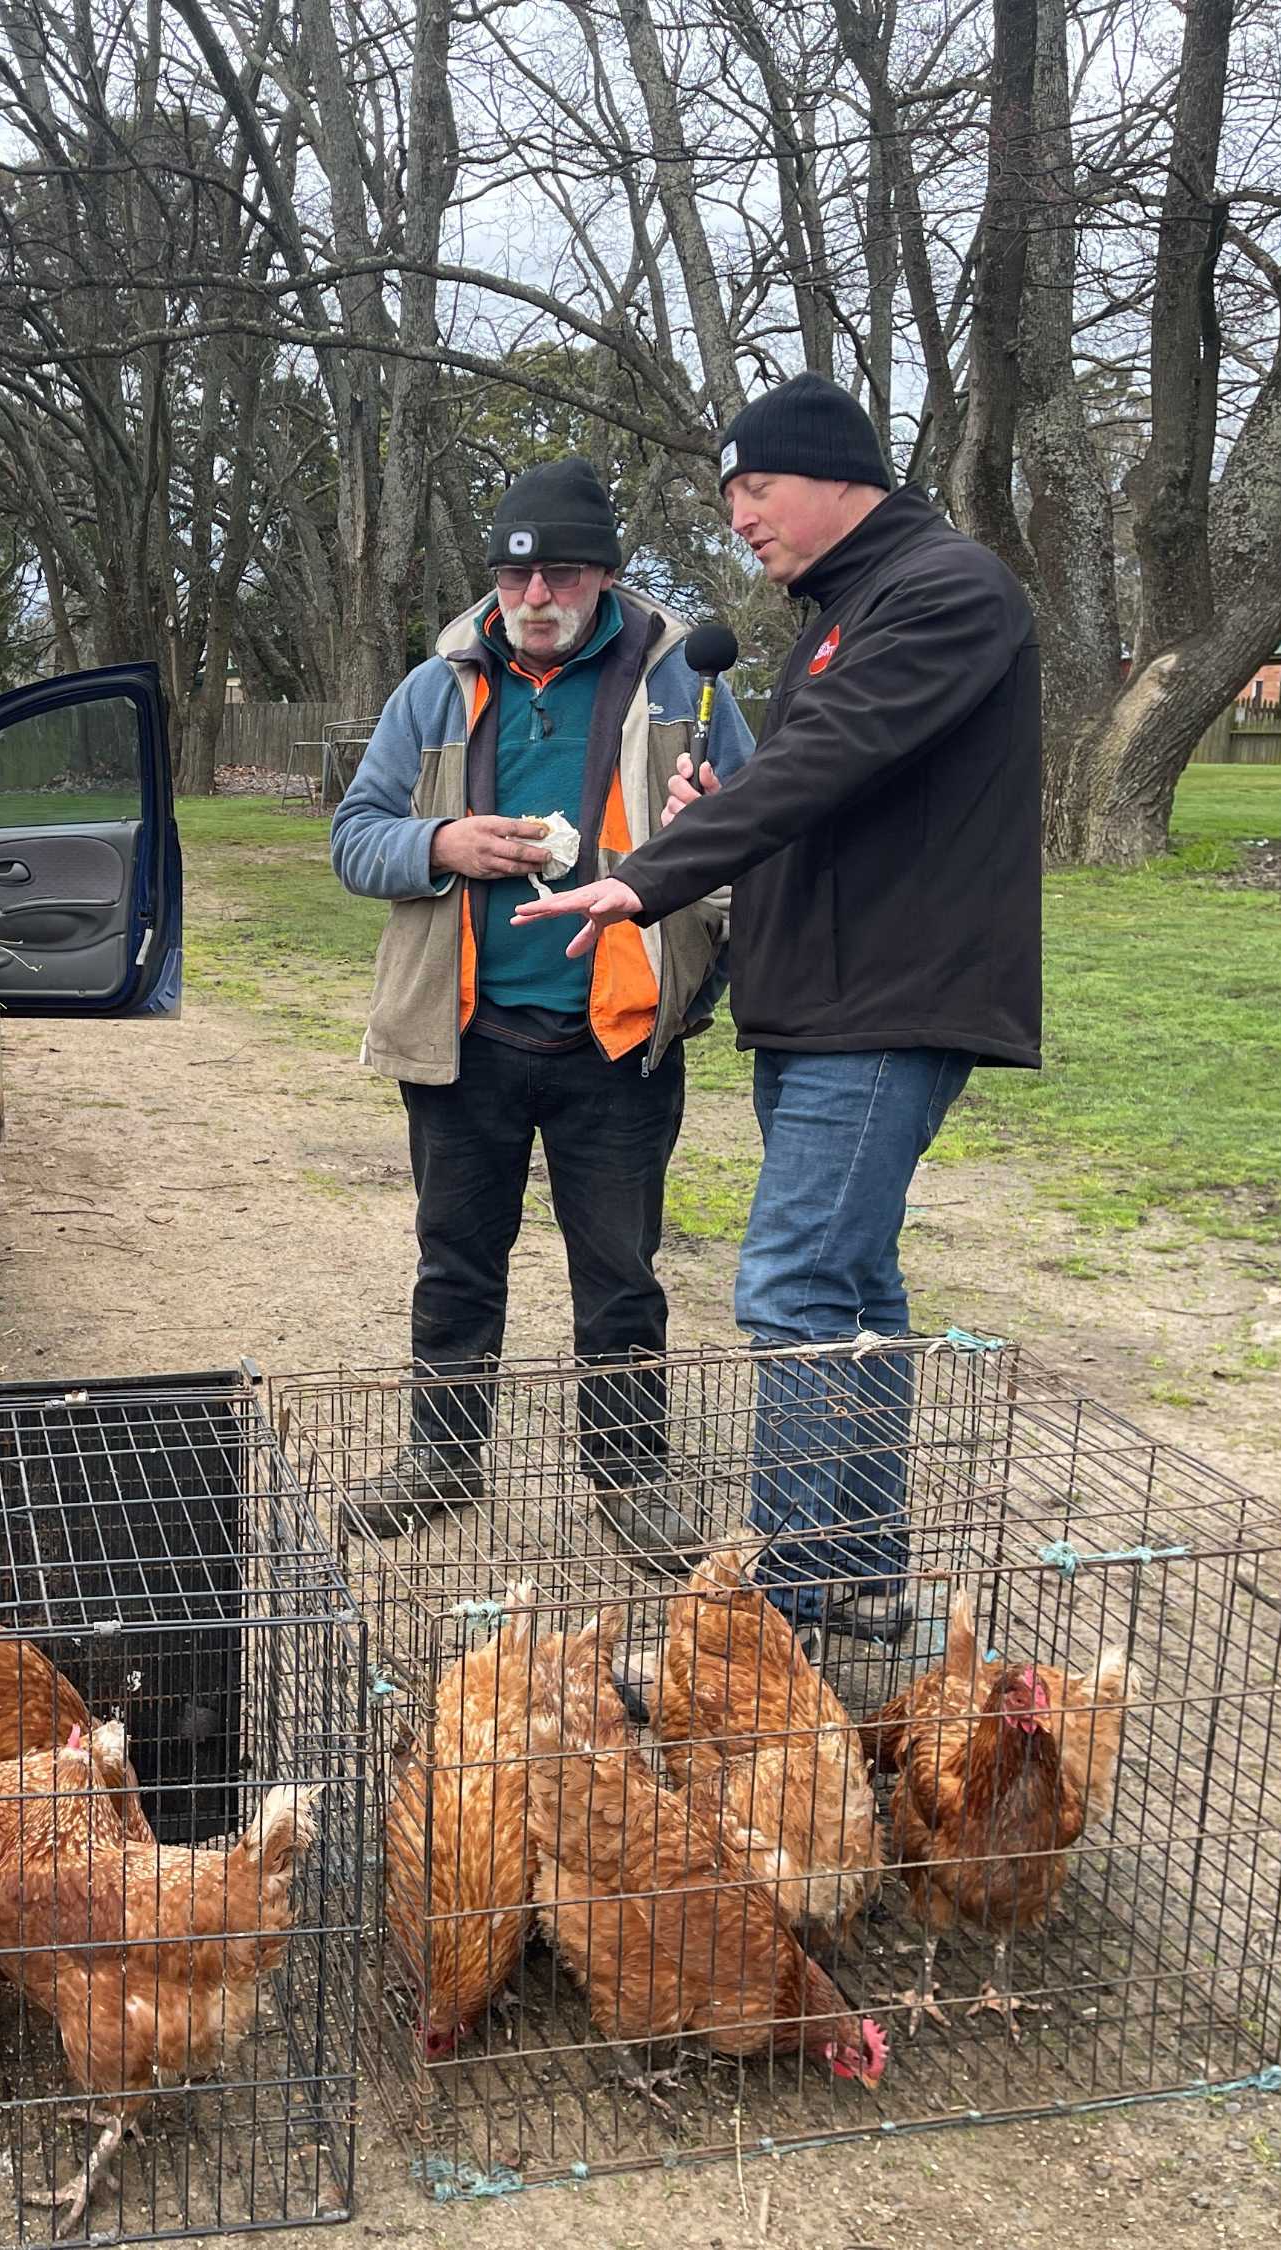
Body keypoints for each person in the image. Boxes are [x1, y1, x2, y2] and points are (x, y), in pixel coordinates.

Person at [514, 375, 1043, 1637]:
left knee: (795, 1282)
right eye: (729, 496)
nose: (740, 518)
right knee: (851, 1280)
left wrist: (645, 875)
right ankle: (861, 1567)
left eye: (756, 488)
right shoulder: (843, 613)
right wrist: (721, 827)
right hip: (822, 994)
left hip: (890, 998)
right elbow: (830, 797)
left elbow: (821, 765)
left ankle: (784, 1610)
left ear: (837, 475)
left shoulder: (946, 592)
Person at [330, 457, 753, 1565]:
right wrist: (439, 844)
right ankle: (443, 1456)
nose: (535, 599)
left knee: (620, 1275)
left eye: (561, 574)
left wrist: (709, 828)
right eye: (516, 579)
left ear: (607, 577)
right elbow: (353, 838)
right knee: (455, 1259)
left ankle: (629, 1478)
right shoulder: (436, 689)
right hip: (466, 1037)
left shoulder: (681, 688)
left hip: (616, 1041)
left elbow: (759, 831)